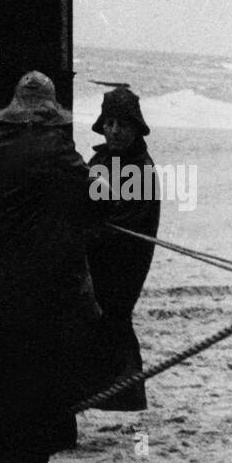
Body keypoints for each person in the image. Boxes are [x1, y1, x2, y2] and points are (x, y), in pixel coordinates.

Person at [0, 71, 100, 463]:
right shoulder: (56, 149)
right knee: (35, 374)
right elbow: (89, 196)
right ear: (47, 112)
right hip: (35, 284)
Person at [85, 86, 161, 411]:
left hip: (126, 257)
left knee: (116, 314)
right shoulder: (100, 160)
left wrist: (84, 231)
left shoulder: (140, 168)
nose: (114, 131)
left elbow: (124, 224)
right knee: (98, 319)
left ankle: (130, 394)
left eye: (123, 125)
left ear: (135, 128)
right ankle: (109, 392)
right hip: (98, 253)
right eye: (110, 123)